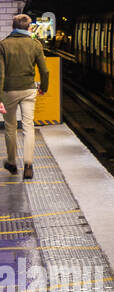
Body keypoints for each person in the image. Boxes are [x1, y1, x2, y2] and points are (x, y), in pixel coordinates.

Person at [0, 14, 50, 180]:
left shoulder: (3, 45)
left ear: (13, 27)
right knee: (29, 127)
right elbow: (44, 70)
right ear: (28, 27)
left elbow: (0, 74)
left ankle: (12, 163)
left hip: (9, 91)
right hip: (29, 90)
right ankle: (28, 165)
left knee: (10, 127)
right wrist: (43, 87)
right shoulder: (35, 44)